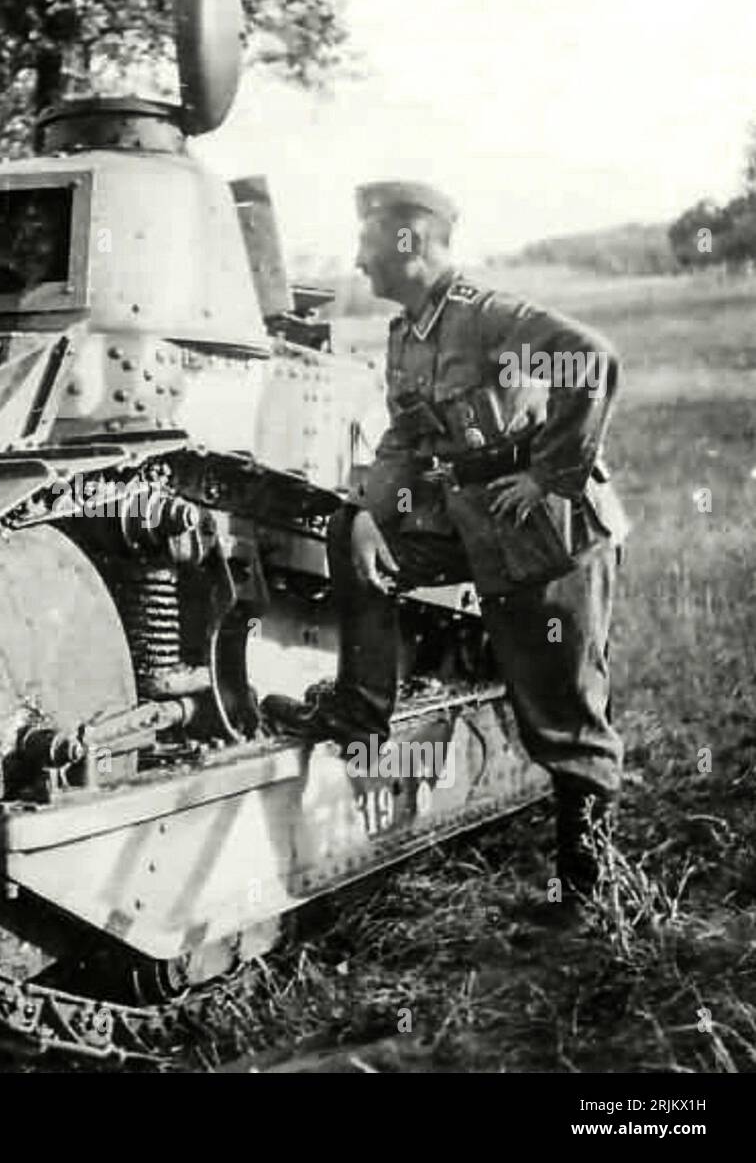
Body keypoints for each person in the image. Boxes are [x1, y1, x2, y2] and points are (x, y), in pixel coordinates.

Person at [263, 180, 630, 919]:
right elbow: (403, 438)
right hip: (470, 522)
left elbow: (590, 361)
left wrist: (547, 475)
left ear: (412, 243)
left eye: (369, 247)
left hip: (548, 534)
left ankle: (595, 896)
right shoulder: (406, 332)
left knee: (562, 712)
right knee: (350, 535)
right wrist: (368, 514)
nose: (360, 265)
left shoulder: (487, 317)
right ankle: (361, 709)